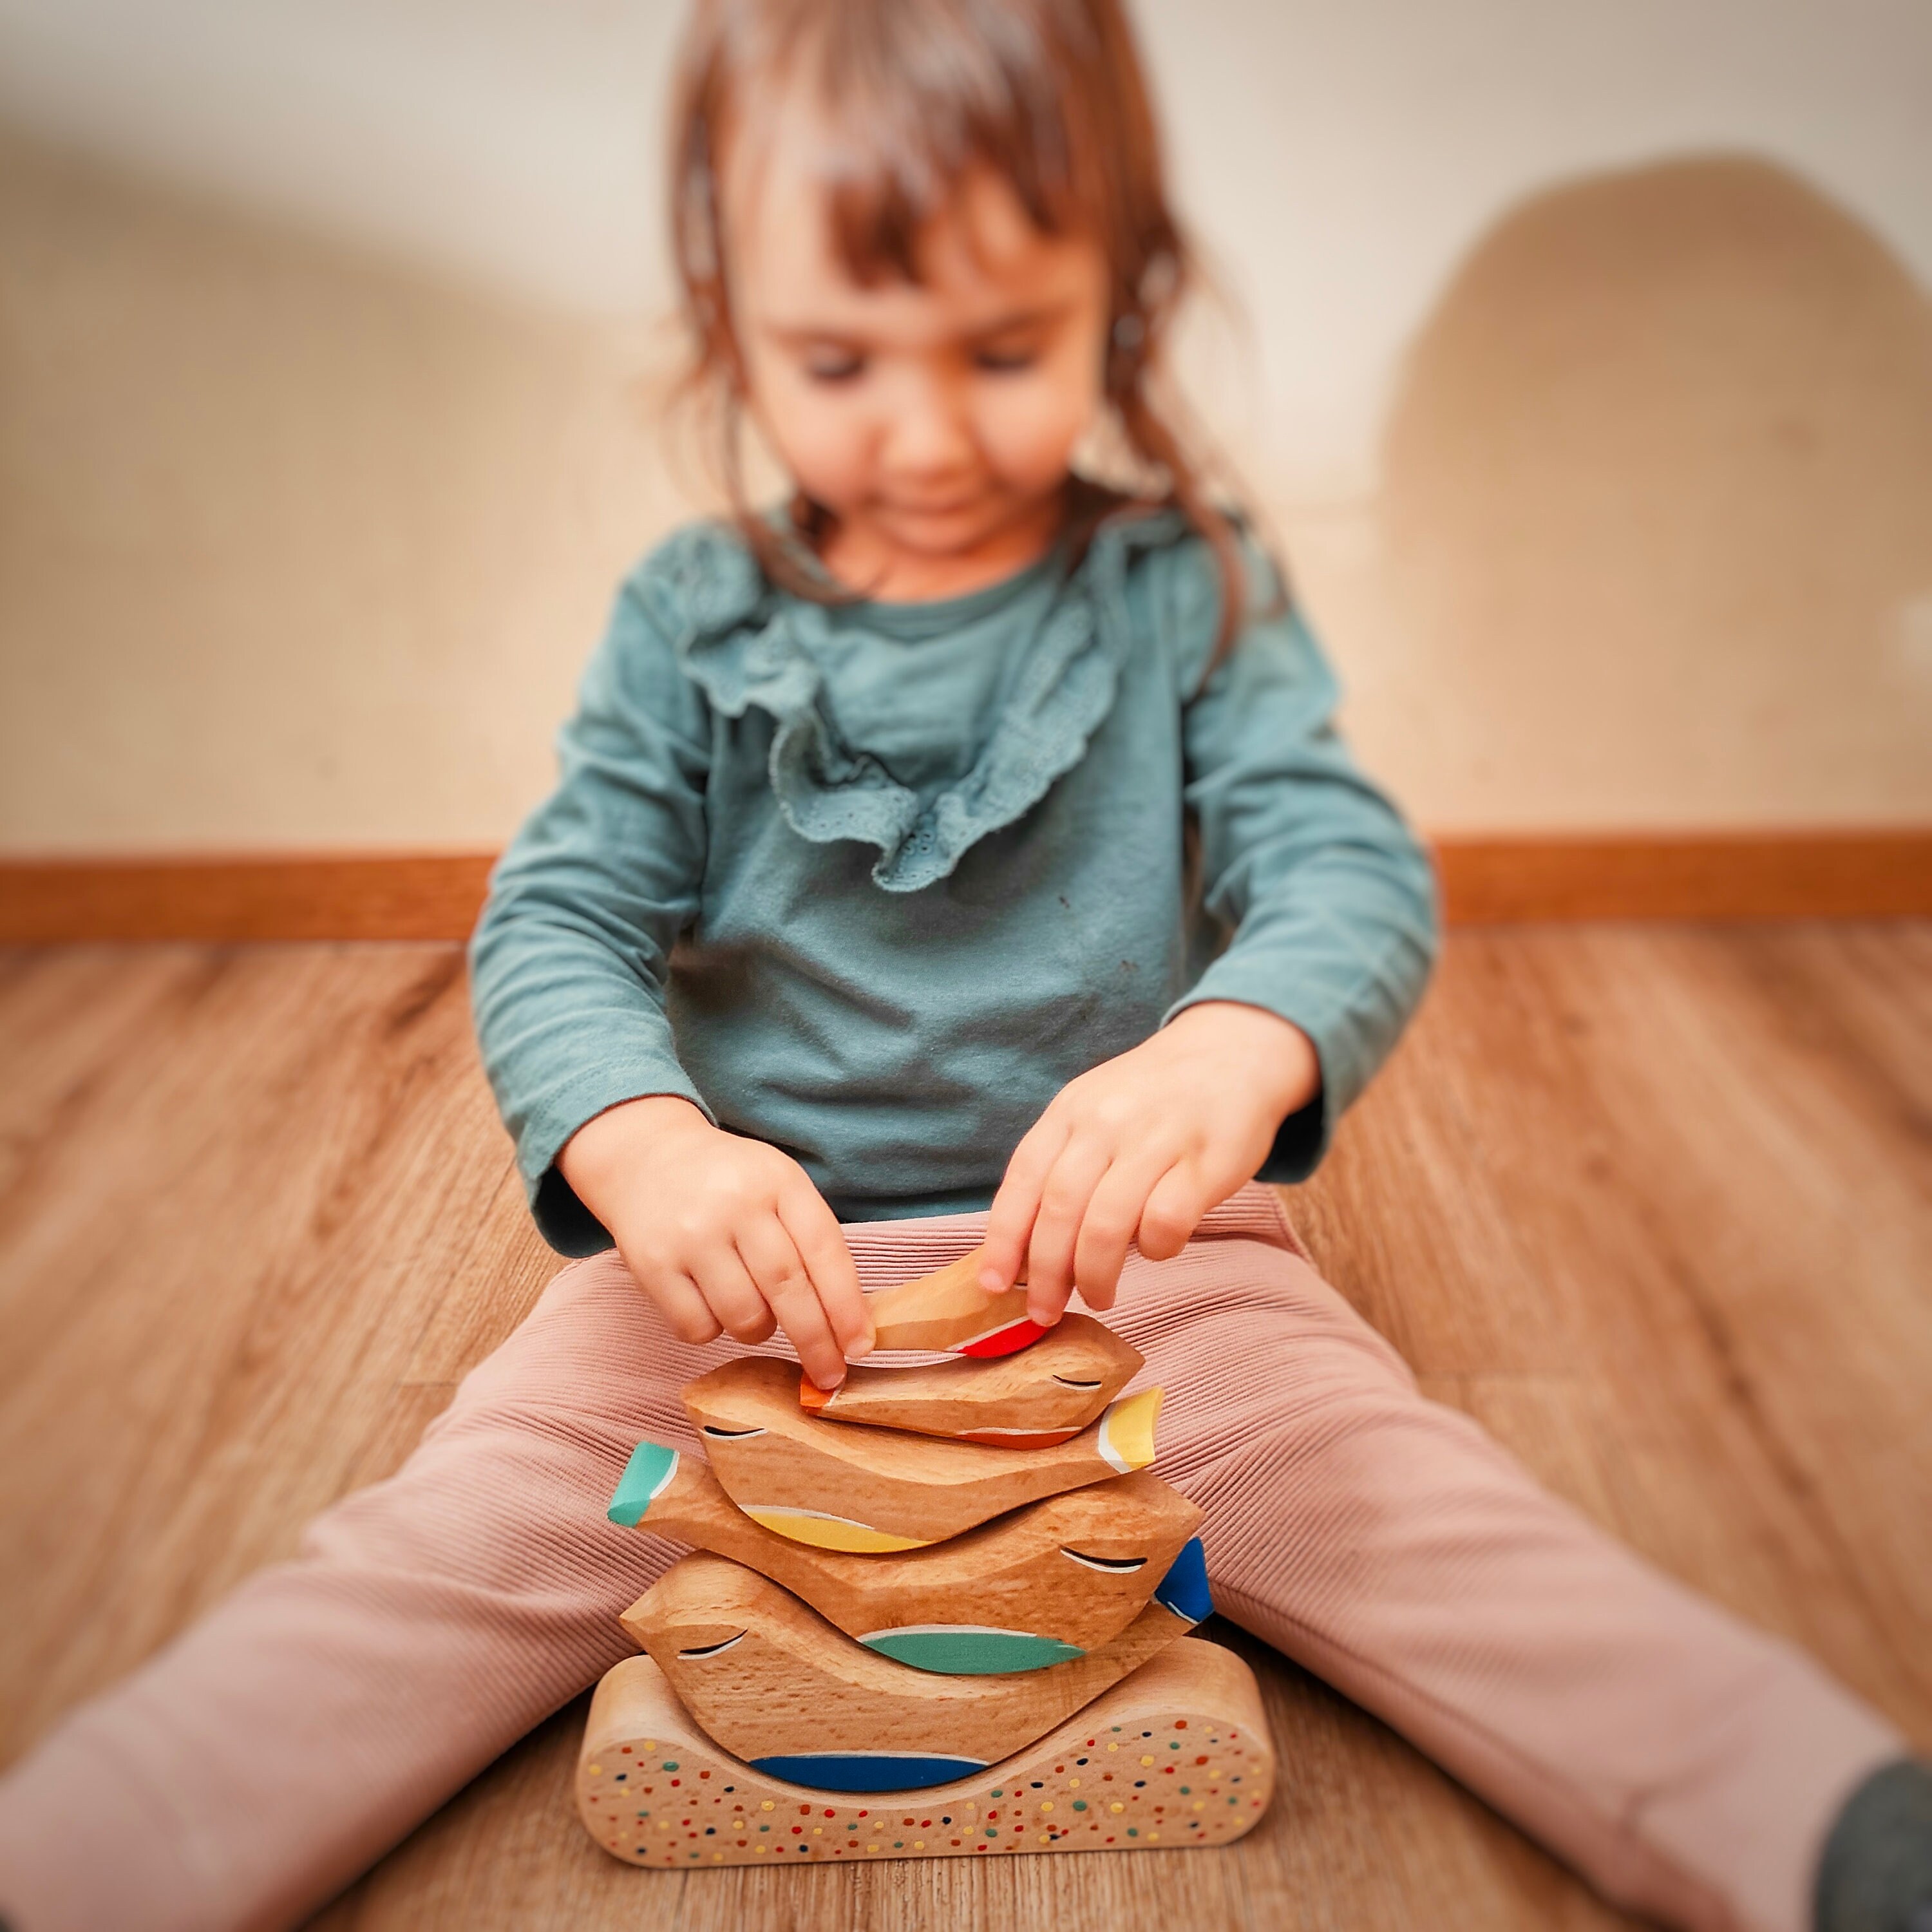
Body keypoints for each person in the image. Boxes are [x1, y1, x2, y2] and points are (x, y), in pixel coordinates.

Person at [1, 4, 1925, 1929]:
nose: (924, 435)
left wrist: (1229, 1050)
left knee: (1430, 1530)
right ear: (726, 309)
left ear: (1124, 290)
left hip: (1130, 1299)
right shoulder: (689, 618)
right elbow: (560, 918)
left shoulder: (1185, 585)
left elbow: (1338, 860)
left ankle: (1825, 1825)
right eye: (838, 361)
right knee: (426, 1568)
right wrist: (652, 1149)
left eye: (1004, 352)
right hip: (738, 1302)